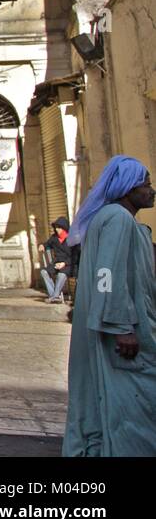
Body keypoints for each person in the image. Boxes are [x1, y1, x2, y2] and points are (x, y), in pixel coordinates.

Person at [63, 156, 156, 456]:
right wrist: (121, 327)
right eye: (146, 184)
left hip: (121, 325)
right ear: (128, 188)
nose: (151, 190)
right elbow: (108, 274)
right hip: (121, 333)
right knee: (129, 401)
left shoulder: (117, 219)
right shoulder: (117, 218)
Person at [38, 217, 76, 304]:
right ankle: (54, 296)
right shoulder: (54, 238)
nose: (56, 229)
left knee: (61, 274)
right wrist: (43, 245)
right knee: (44, 271)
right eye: (55, 227)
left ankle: (54, 296)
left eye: (59, 227)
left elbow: (75, 256)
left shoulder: (72, 239)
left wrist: (64, 263)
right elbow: (47, 244)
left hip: (69, 264)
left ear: (64, 228)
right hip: (57, 262)